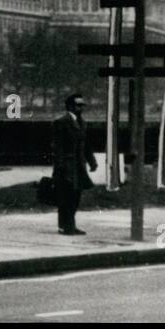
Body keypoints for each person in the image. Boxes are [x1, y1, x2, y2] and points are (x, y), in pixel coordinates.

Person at [52, 92, 97, 235]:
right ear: (70, 106)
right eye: (78, 105)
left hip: (79, 166)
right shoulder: (61, 122)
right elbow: (57, 146)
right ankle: (65, 226)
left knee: (76, 196)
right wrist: (60, 166)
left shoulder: (83, 123)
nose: (81, 108)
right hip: (67, 166)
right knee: (66, 196)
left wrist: (92, 161)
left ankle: (69, 225)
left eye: (82, 105)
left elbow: (86, 144)